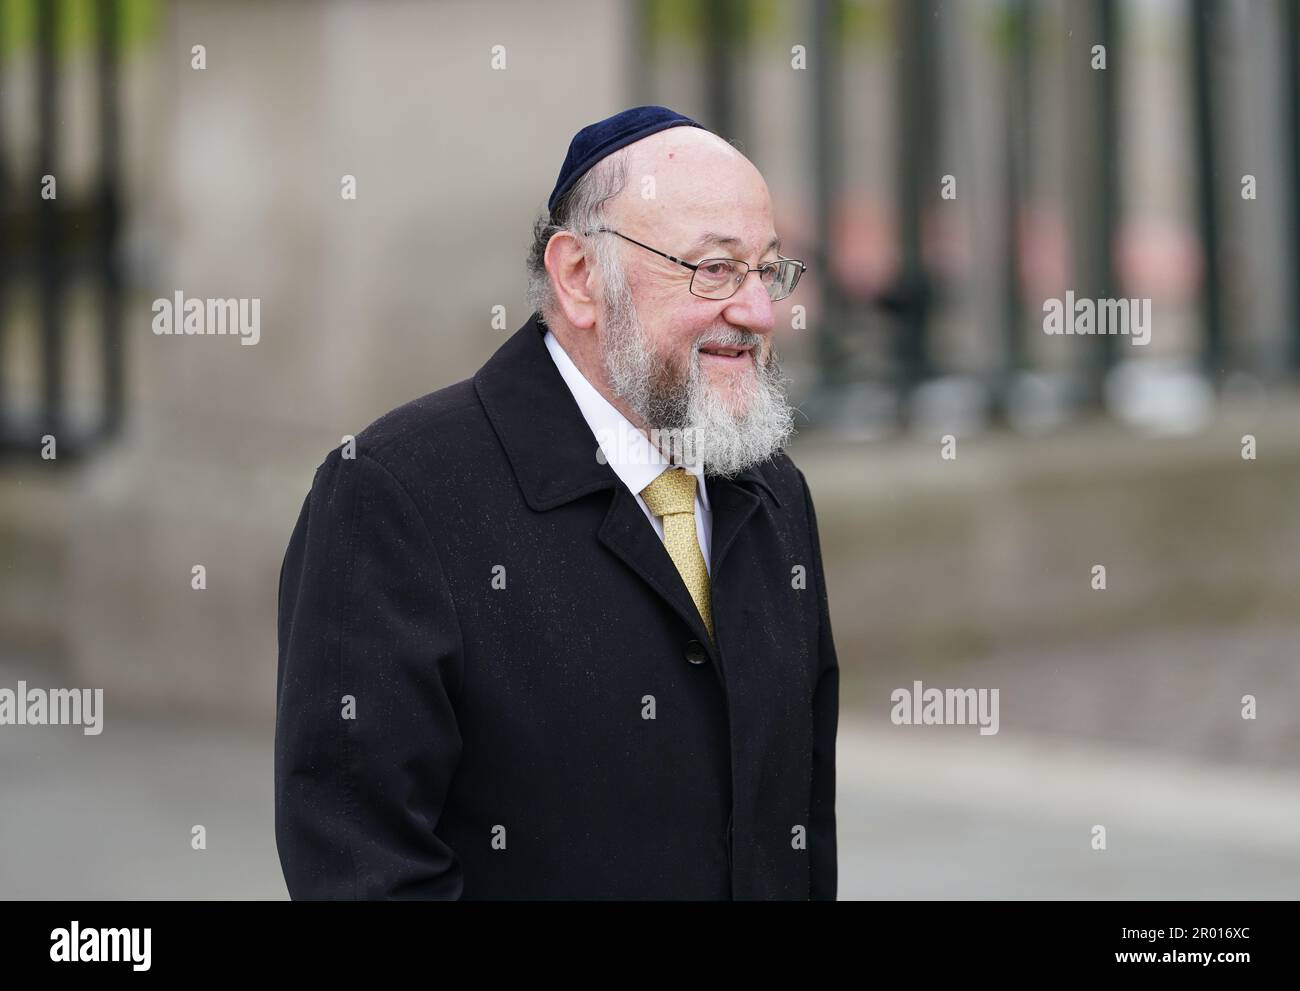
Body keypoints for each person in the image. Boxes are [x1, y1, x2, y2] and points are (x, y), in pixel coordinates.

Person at [274, 106, 839, 900]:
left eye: (768, 270)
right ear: (579, 276)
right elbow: (361, 867)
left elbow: (799, 832)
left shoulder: (772, 490)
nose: (757, 312)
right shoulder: (393, 495)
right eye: (715, 269)